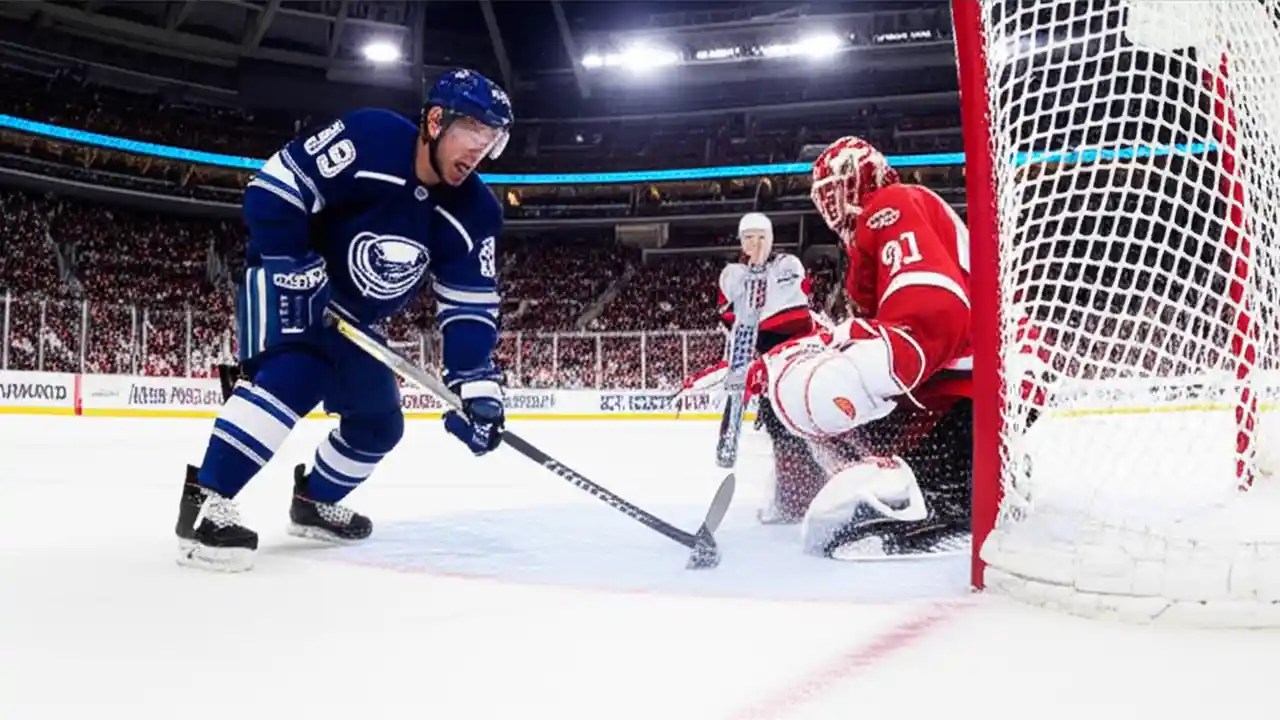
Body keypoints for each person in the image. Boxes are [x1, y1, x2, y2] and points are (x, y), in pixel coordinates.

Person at [175, 69, 513, 572]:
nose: (478, 154)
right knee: (296, 374)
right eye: (473, 136)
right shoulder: (371, 136)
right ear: (437, 120)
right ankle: (205, 502)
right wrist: (291, 260)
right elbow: (274, 188)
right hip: (285, 277)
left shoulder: (476, 212)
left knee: (378, 422)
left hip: (355, 318)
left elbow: (469, 304)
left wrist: (475, 382)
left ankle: (313, 500)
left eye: (490, 144)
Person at [746, 135, 973, 558]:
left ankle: (953, 500)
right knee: (794, 401)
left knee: (817, 396)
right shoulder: (879, 233)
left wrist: (846, 364)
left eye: (836, 188)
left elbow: (934, 312)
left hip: (964, 386)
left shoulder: (892, 204)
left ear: (861, 176)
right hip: (960, 382)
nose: (831, 207)